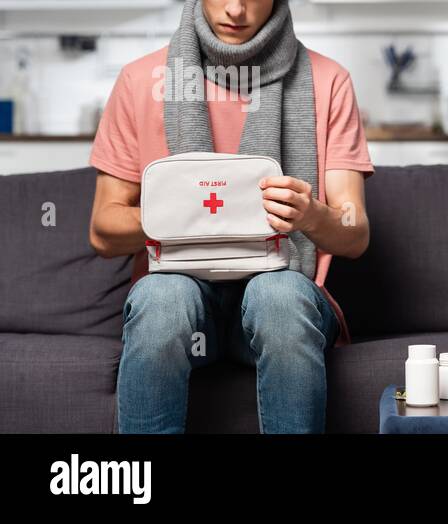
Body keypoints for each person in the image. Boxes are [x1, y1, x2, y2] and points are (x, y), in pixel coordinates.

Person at [89, 0, 375, 433]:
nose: (236, 9)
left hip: (280, 287)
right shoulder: (138, 81)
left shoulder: (327, 80)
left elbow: (354, 234)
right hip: (179, 294)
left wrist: (310, 214)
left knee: (278, 297)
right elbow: (103, 231)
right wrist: (174, 213)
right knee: (163, 300)